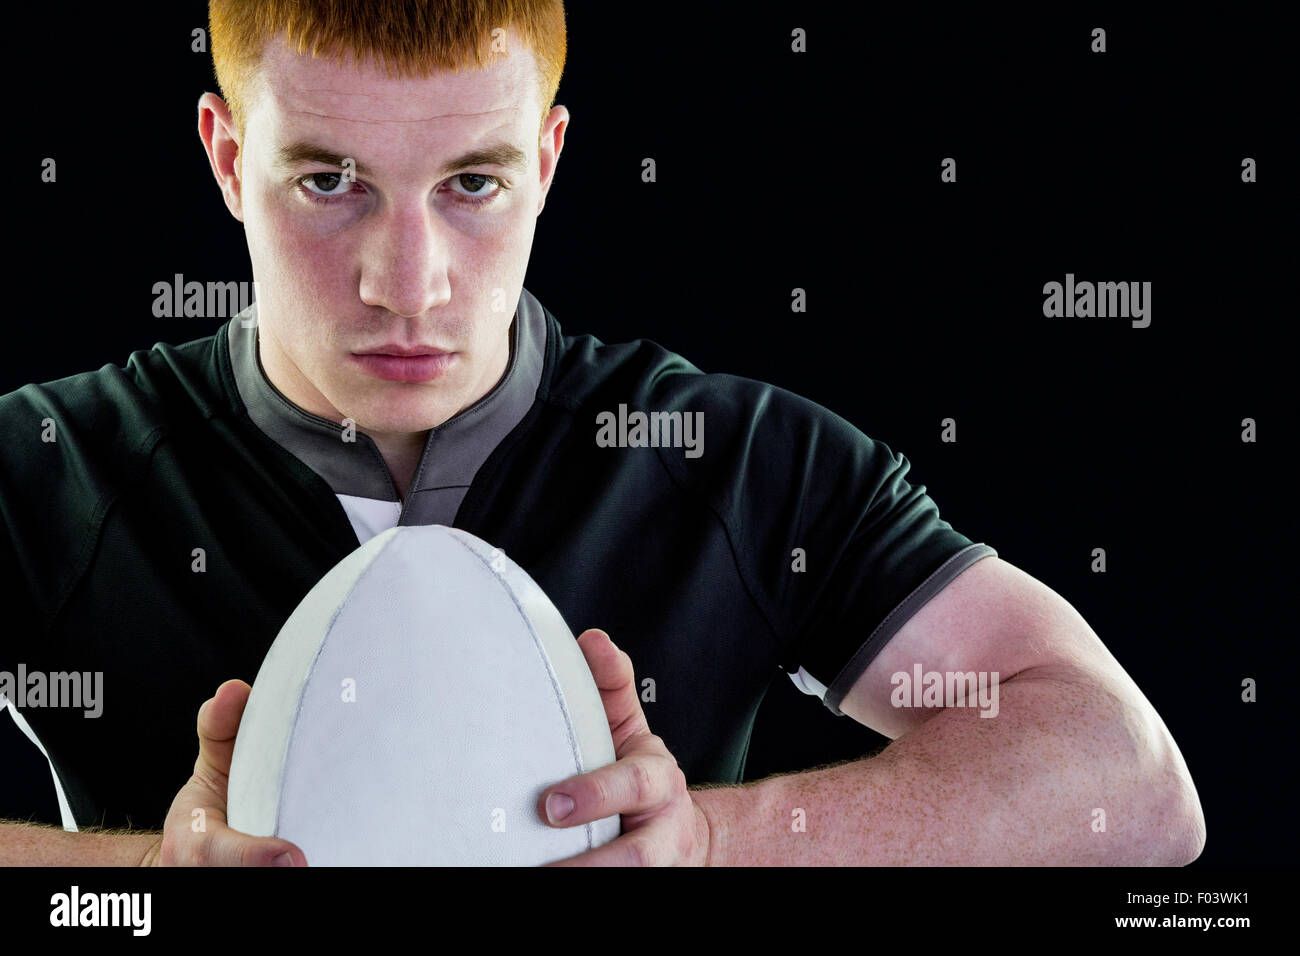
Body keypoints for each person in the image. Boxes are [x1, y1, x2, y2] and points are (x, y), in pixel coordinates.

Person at [0, 0, 1205, 866]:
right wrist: (133, 888)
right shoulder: (44, 468)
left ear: (546, 159)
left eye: (472, 184)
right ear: (227, 156)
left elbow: (1131, 782)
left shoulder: (736, 461)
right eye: (330, 182)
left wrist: (709, 845)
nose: (407, 285)